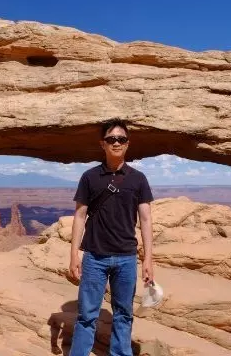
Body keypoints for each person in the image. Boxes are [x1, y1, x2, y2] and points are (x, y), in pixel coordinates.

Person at [68, 118, 154, 356]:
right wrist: (74, 253)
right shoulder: (89, 177)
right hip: (94, 257)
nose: (116, 143)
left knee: (124, 315)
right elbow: (79, 216)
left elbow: (146, 219)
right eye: (111, 139)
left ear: (128, 143)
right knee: (87, 316)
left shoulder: (138, 179)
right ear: (102, 144)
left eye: (121, 139)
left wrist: (148, 259)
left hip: (126, 258)